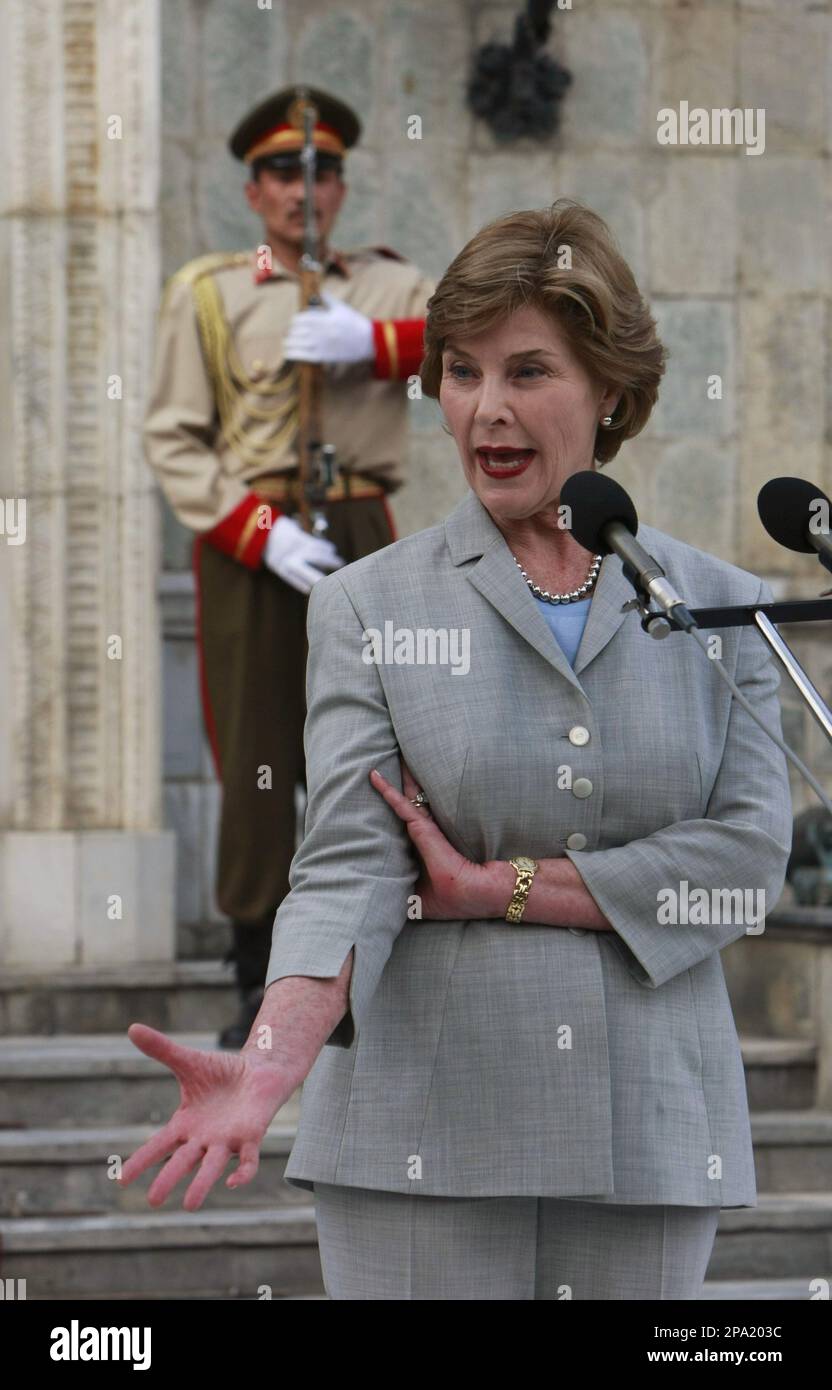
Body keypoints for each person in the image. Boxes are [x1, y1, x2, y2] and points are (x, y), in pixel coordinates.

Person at [123, 199, 793, 1300]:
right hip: (419, 1135)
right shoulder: (366, 604)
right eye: (462, 371)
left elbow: (744, 870)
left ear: (612, 391)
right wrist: (272, 1057)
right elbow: (347, 864)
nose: (487, 408)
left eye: (528, 371)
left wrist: (499, 885)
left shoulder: (723, 607)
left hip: (652, 1138)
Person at [143, 85, 435, 1047]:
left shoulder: (392, 287)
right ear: (252, 188)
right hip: (258, 539)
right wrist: (259, 530)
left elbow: (482, 341)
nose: (304, 190)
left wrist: (379, 342)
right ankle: (256, 976)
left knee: (377, 751)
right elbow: (176, 438)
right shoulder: (211, 292)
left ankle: (365, 958)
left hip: (360, 529)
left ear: (342, 187)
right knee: (261, 760)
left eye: (324, 171)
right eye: (283, 171)